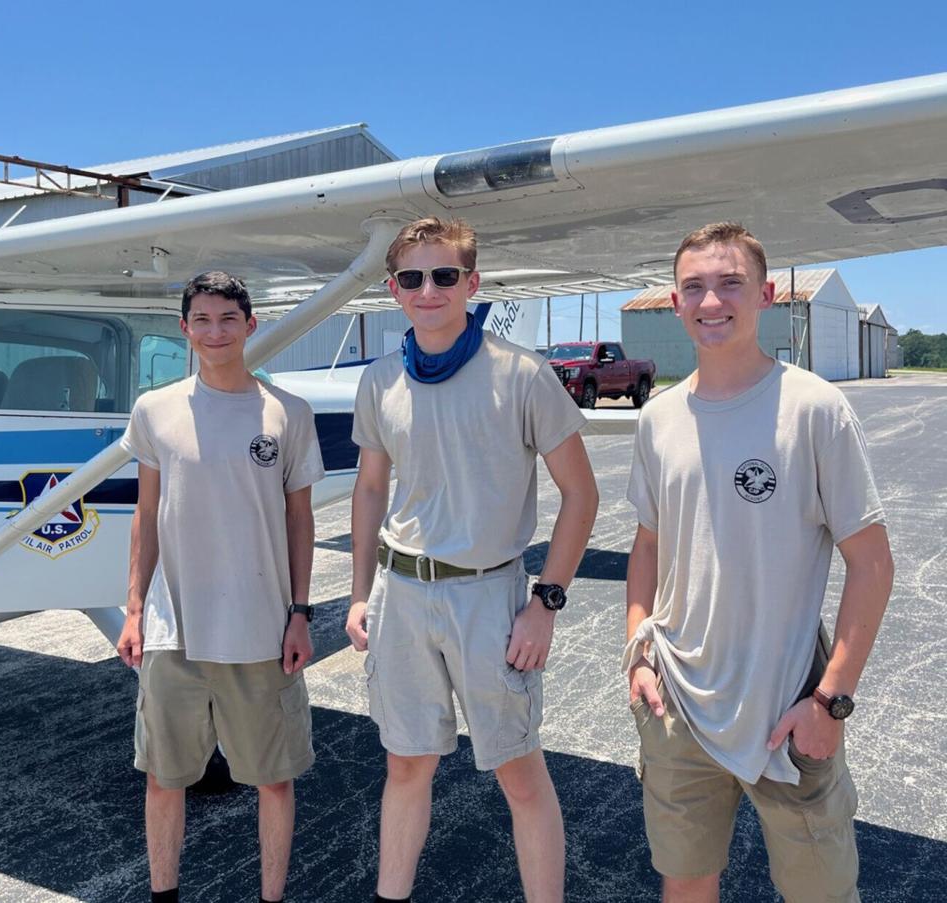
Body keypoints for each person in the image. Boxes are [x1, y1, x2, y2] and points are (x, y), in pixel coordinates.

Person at [624, 222, 894, 902]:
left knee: (821, 891)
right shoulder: (658, 418)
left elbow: (872, 563)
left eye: (730, 283)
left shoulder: (814, 409)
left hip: (789, 703)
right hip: (678, 705)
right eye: (694, 287)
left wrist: (830, 701)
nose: (711, 301)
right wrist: (637, 653)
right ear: (675, 303)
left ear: (766, 295)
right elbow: (648, 543)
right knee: (687, 881)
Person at [345, 216, 599, 903]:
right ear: (394, 290)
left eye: (444, 275)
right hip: (402, 593)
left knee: (520, 773)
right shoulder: (381, 380)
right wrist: (360, 593)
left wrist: (545, 603)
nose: (428, 290)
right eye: (412, 277)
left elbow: (581, 494)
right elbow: (370, 490)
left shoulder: (522, 374)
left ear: (472, 283)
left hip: (489, 597)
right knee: (406, 766)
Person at [116, 271, 324, 903]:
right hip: (173, 630)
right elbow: (146, 513)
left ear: (250, 325)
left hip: (260, 631)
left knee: (274, 780)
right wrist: (134, 609)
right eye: (202, 320)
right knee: (163, 778)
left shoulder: (288, 412)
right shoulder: (155, 409)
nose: (215, 332)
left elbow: (299, 519)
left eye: (228, 318)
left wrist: (299, 612)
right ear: (184, 329)